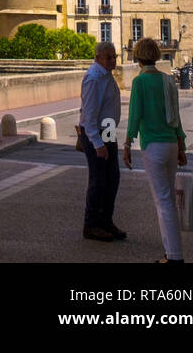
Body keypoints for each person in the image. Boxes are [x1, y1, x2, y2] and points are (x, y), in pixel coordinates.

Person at [123, 37, 187, 264]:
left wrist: (128, 143)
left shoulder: (140, 82)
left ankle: (174, 257)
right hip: (170, 144)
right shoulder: (167, 80)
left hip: (153, 145)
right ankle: (170, 253)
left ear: (138, 57)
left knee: (164, 202)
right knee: (167, 199)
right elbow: (176, 116)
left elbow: (134, 115)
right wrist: (182, 146)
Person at [78, 41, 125, 242]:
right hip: (97, 132)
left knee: (112, 179)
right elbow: (89, 116)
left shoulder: (105, 76)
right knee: (98, 181)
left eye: (114, 56)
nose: (113, 60)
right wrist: (98, 144)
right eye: (109, 57)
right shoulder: (94, 78)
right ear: (97, 58)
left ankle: (105, 221)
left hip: (107, 131)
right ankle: (91, 225)